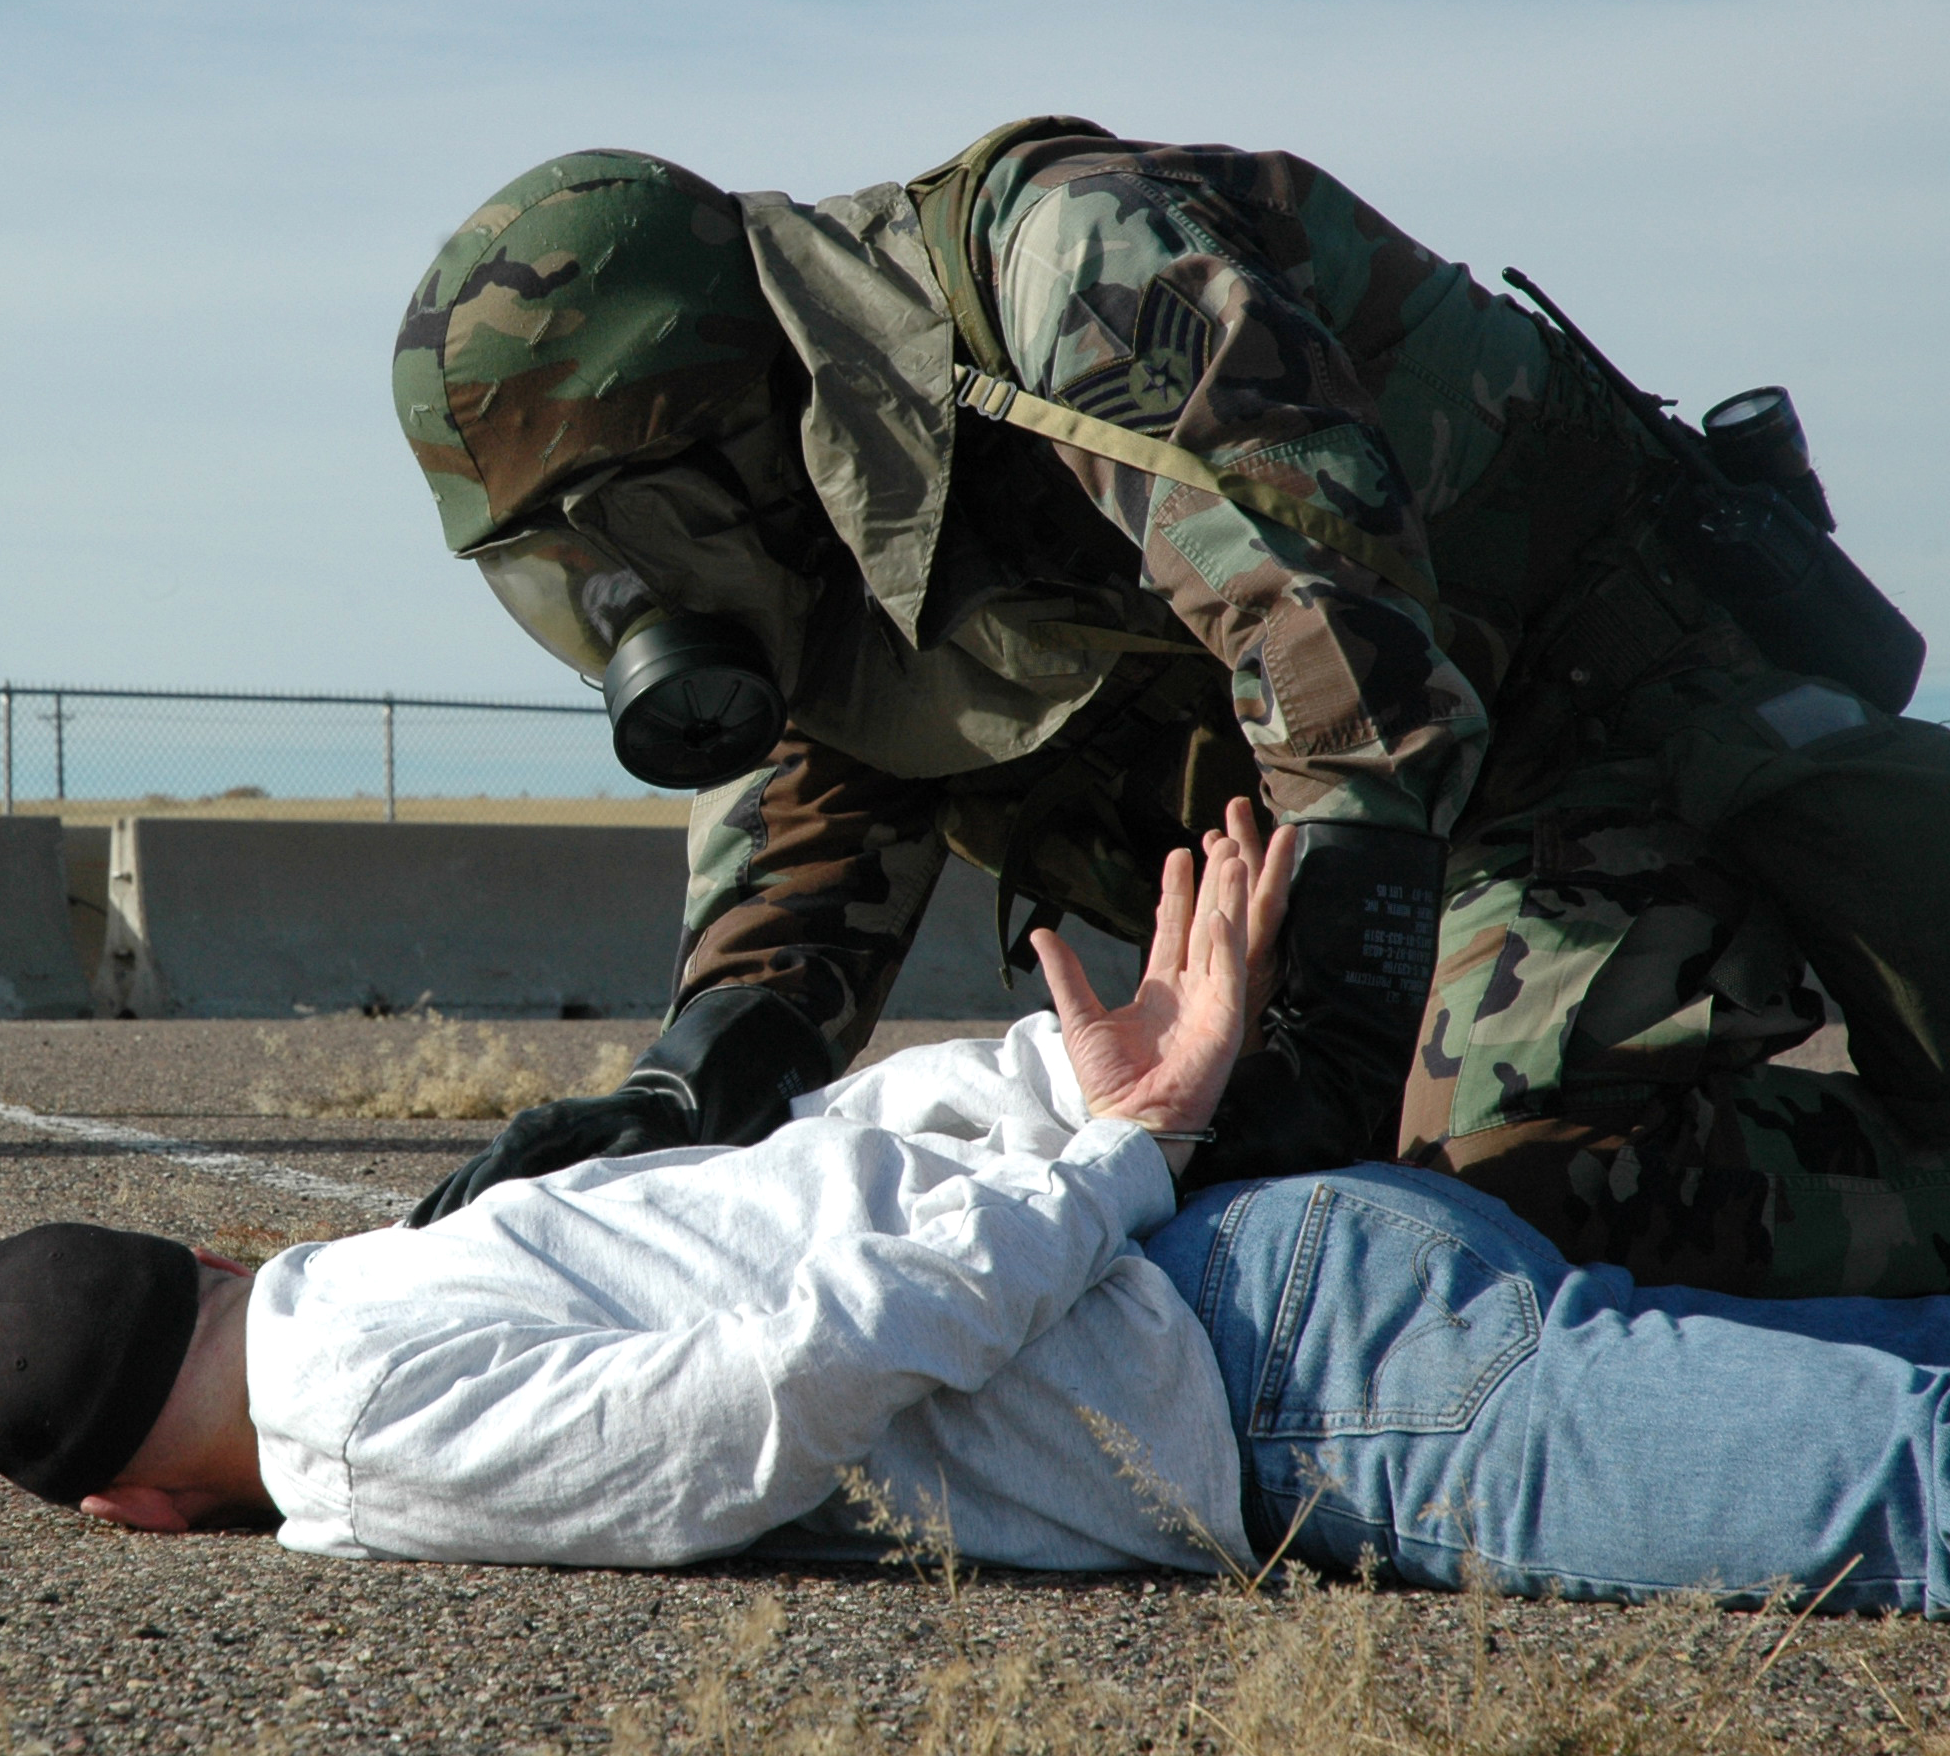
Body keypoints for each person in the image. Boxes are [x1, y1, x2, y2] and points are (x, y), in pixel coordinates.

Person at [384, 121, 1950, 1296]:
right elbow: (820, 791)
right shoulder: (794, 524)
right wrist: (687, 1085)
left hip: (1597, 718)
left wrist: (1321, 1071)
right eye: (569, 577)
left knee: (1464, 1201)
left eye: (641, 538)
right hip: (1392, 821)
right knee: (1274, 1211)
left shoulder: (1069, 275)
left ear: (733, 411)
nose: (631, 606)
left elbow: (1336, 645)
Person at [0, 828, 1950, 1610]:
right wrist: (1077, 1102)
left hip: (1293, 1384)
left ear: (137, 1509)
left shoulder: (356, 1429)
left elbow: (769, 1392)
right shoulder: (426, 1251)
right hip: (1297, 1281)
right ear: (203, 1256)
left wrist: (1124, 1138)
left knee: (1905, 1495)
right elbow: (823, 1172)